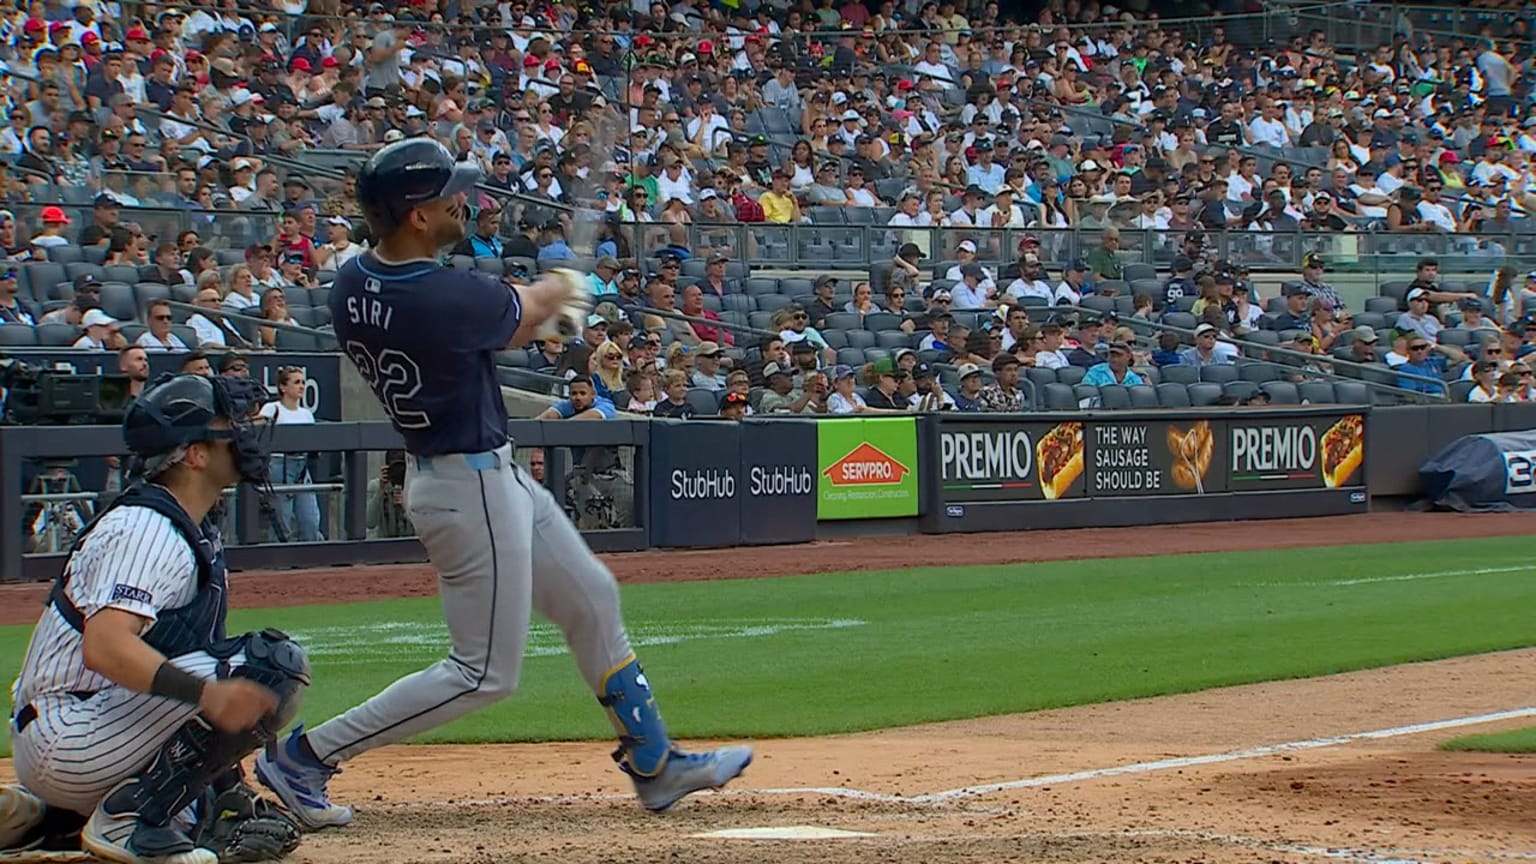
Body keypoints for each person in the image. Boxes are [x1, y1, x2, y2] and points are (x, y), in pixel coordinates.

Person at [261, 139, 751, 830]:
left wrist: (547, 305)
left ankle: (655, 762)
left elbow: (511, 318)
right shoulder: (440, 294)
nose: (462, 203)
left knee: (591, 597)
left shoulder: (352, 282)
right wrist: (564, 289)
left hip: (479, 475)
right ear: (416, 216)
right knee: (484, 673)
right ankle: (306, 756)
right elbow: (524, 310)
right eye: (447, 197)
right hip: (469, 488)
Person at [0, 374, 308, 864]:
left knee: (211, 790)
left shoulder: (186, 523)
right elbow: (105, 646)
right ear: (195, 454)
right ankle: (131, 819)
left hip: (95, 726)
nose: (242, 435)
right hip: (70, 733)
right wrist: (207, 695)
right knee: (269, 664)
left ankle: (54, 822)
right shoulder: (147, 529)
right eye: (227, 426)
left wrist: (225, 782)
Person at [258, 367, 322, 543]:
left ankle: (310, 555)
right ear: (283, 387)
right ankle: (278, 557)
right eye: (296, 382)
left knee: (310, 520)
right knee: (281, 522)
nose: (301, 386)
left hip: (302, 467)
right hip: (279, 465)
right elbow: (258, 430)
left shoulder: (307, 414)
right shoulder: (272, 408)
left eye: (303, 382)